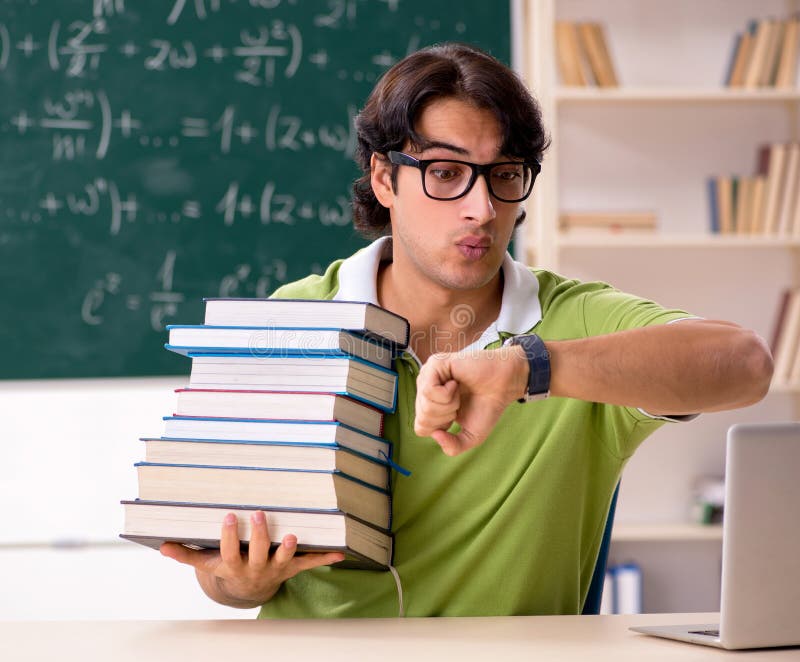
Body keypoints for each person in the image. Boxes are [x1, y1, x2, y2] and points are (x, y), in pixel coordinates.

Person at [160, 43, 773, 617]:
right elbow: (223, 572)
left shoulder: (572, 321)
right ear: (383, 178)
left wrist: (527, 368)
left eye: (505, 174)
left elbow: (745, 364)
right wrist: (239, 582)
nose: (482, 207)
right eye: (447, 173)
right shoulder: (289, 322)